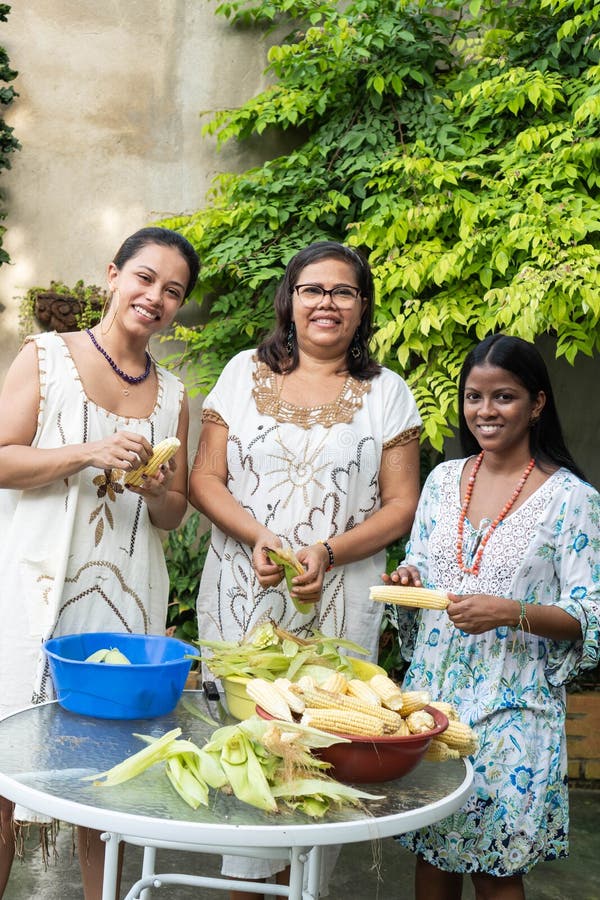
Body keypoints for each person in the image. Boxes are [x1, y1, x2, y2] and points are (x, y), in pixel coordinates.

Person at [189, 239, 422, 899]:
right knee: (251, 766)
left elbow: (401, 504)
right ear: (288, 302)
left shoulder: (387, 392)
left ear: (362, 306)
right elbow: (205, 478)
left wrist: (327, 552)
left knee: (320, 762)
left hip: (339, 603)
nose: (327, 302)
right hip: (243, 597)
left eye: (343, 291)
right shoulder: (242, 373)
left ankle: (303, 891)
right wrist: (260, 535)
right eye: (312, 289)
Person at [0, 226, 200, 900]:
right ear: (113, 275)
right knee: (2, 776)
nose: (156, 297)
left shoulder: (175, 395)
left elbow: (174, 512)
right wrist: (86, 452)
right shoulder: (46, 357)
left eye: (173, 291)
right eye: (145, 278)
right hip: (32, 597)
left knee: (111, 785)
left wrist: (156, 488)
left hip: (123, 604)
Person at [384, 334, 600, 900]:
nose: (485, 411)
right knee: (431, 855)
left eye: (503, 397)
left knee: (496, 867)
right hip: (431, 704)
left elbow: (589, 612)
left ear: (536, 403)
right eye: (473, 397)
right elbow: (423, 562)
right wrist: (408, 579)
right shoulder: (440, 482)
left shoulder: (572, 499)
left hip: (515, 708)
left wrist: (512, 612)